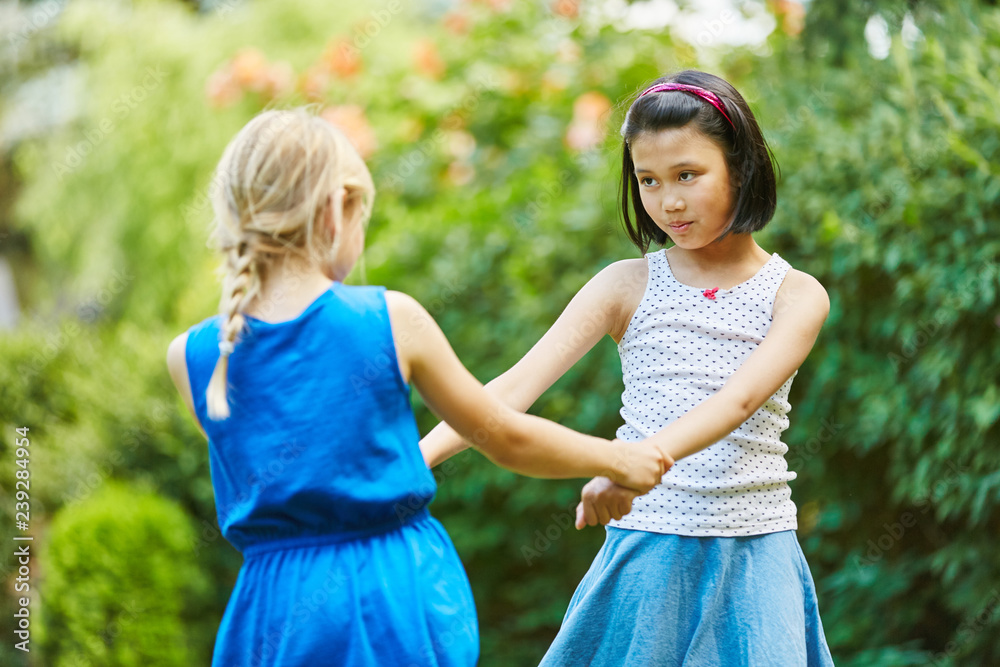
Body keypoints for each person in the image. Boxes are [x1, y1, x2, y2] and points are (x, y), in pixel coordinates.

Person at [164, 108, 670, 667]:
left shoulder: (192, 358)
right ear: (337, 209)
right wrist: (618, 459)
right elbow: (504, 436)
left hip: (271, 613)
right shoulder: (387, 319)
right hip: (386, 597)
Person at [420, 70, 836, 665]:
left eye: (688, 175)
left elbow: (737, 401)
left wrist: (637, 464)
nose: (668, 201)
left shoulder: (796, 295)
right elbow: (510, 388)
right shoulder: (625, 285)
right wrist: (417, 462)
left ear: (740, 168)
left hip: (755, 549)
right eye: (648, 180)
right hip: (648, 546)